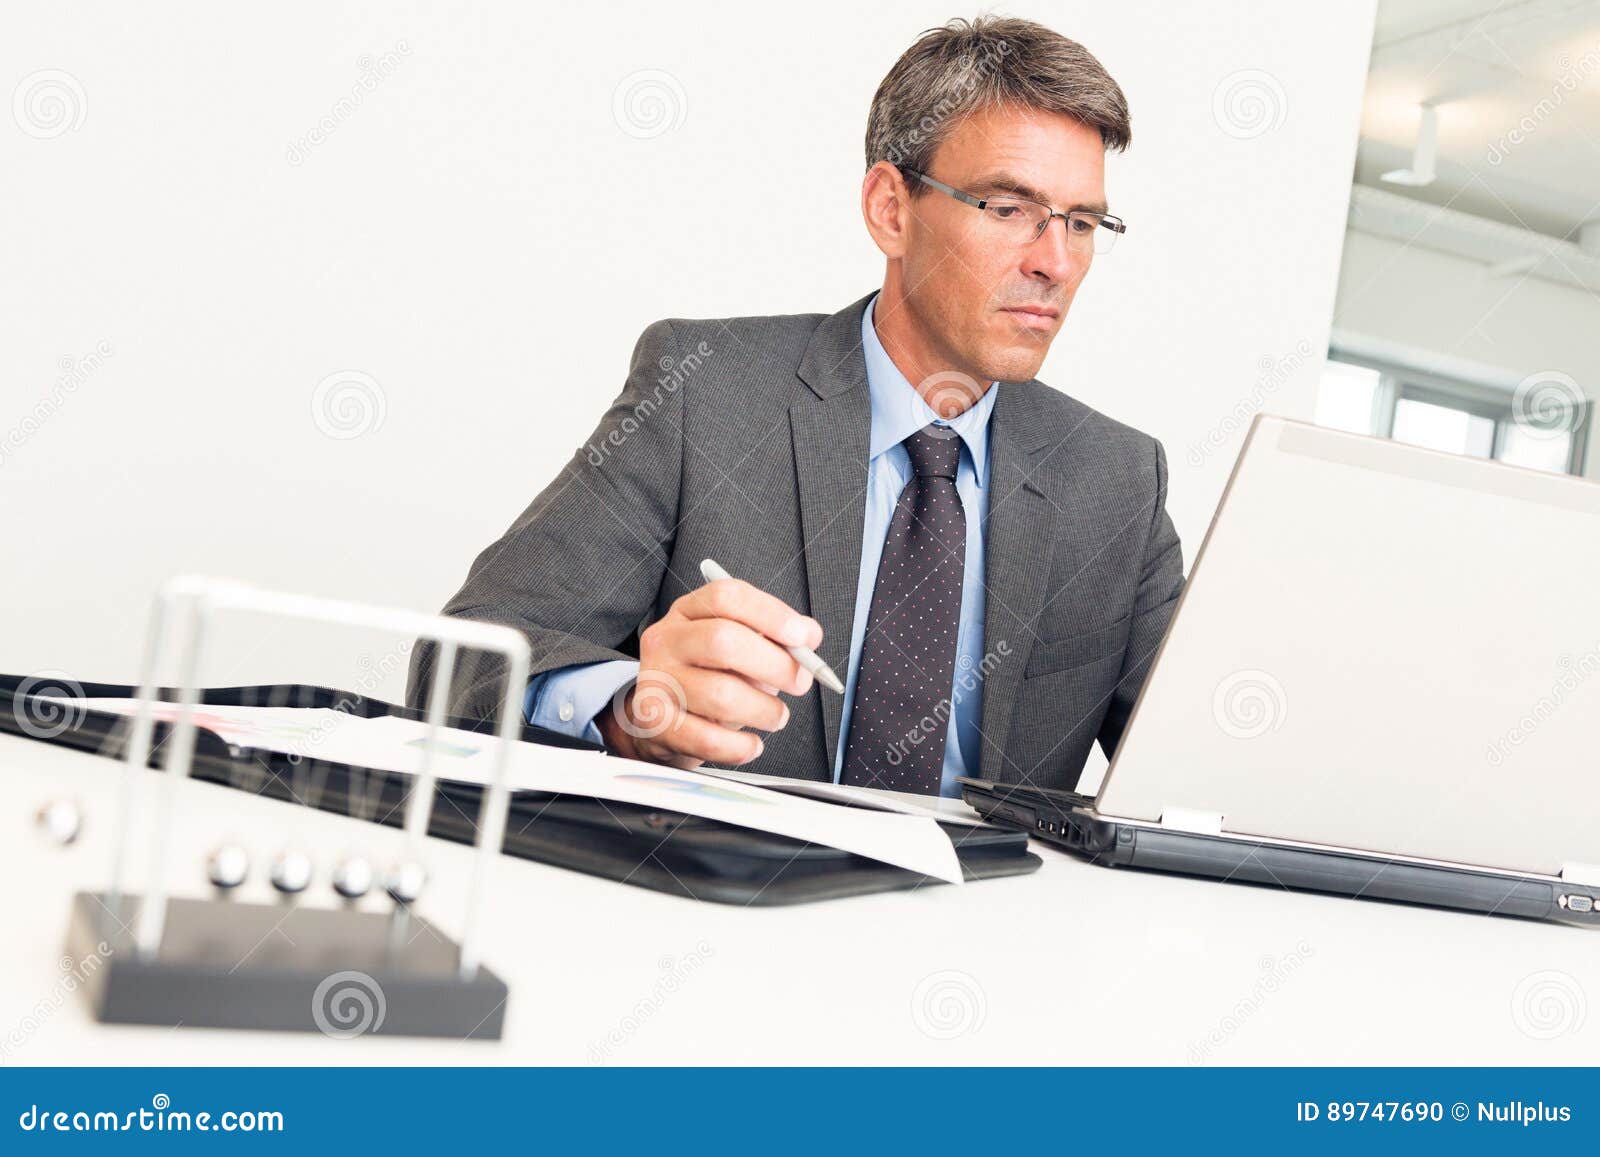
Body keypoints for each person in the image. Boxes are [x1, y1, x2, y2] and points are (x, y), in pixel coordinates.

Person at [407, 15, 1184, 797]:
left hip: (978, 882)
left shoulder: (1120, 482)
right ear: (891, 209)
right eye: (1009, 208)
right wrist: (625, 708)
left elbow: (1202, 767)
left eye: (1082, 222)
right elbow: (461, 659)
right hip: (721, 872)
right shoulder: (703, 394)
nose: (1056, 262)